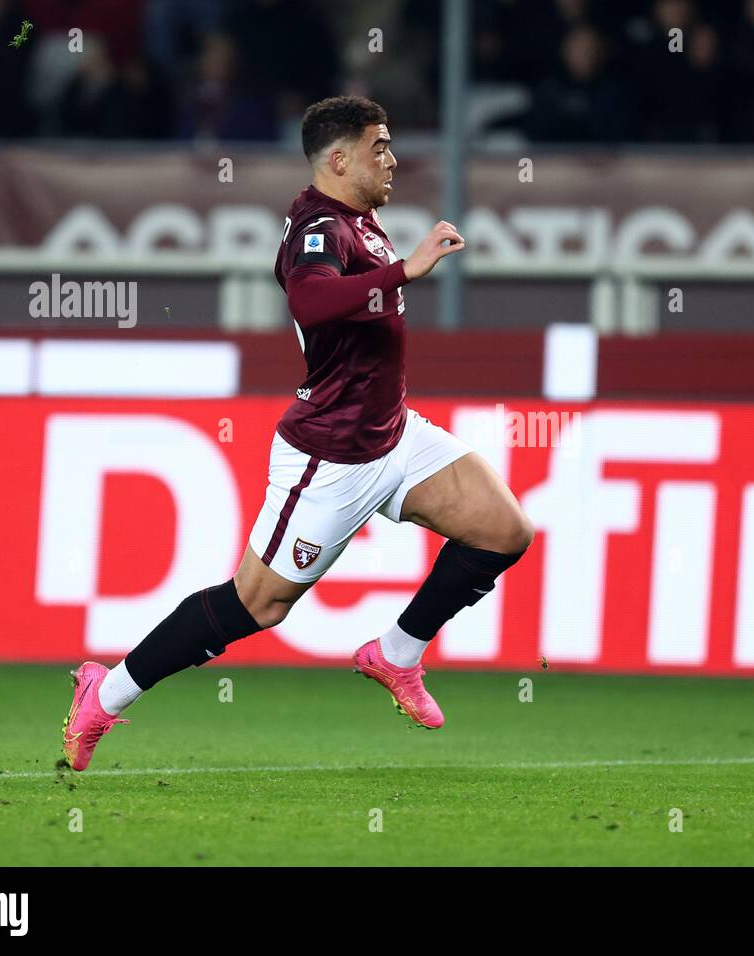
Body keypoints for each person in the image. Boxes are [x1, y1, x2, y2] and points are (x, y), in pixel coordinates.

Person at [61, 96, 534, 771]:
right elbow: (310, 299)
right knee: (257, 604)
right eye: (379, 147)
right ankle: (104, 695)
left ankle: (395, 654)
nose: (392, 158)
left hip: (395, 434)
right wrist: (408, 270)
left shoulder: (360, 220)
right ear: (339, 159)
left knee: (503, 529)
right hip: (331, 455)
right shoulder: (317, 226)